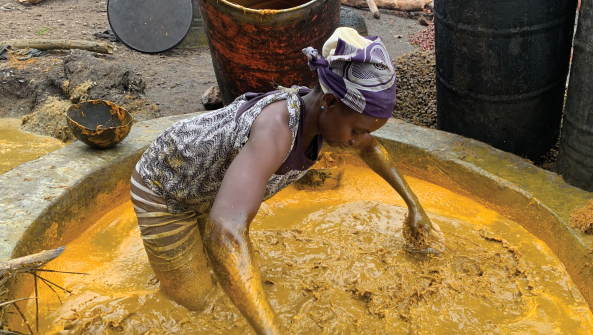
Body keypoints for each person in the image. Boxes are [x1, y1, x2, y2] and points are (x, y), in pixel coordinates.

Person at [129, 27, 441, 334]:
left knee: (224, 274)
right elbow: (224, 231)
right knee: (196, 303)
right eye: (357, 130)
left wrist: (414, 207)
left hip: (209, 187)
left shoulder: (324, 119)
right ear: (330, 102)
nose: (358, 139)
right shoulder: (276, 132)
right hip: (165, 188)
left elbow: (370, 148)